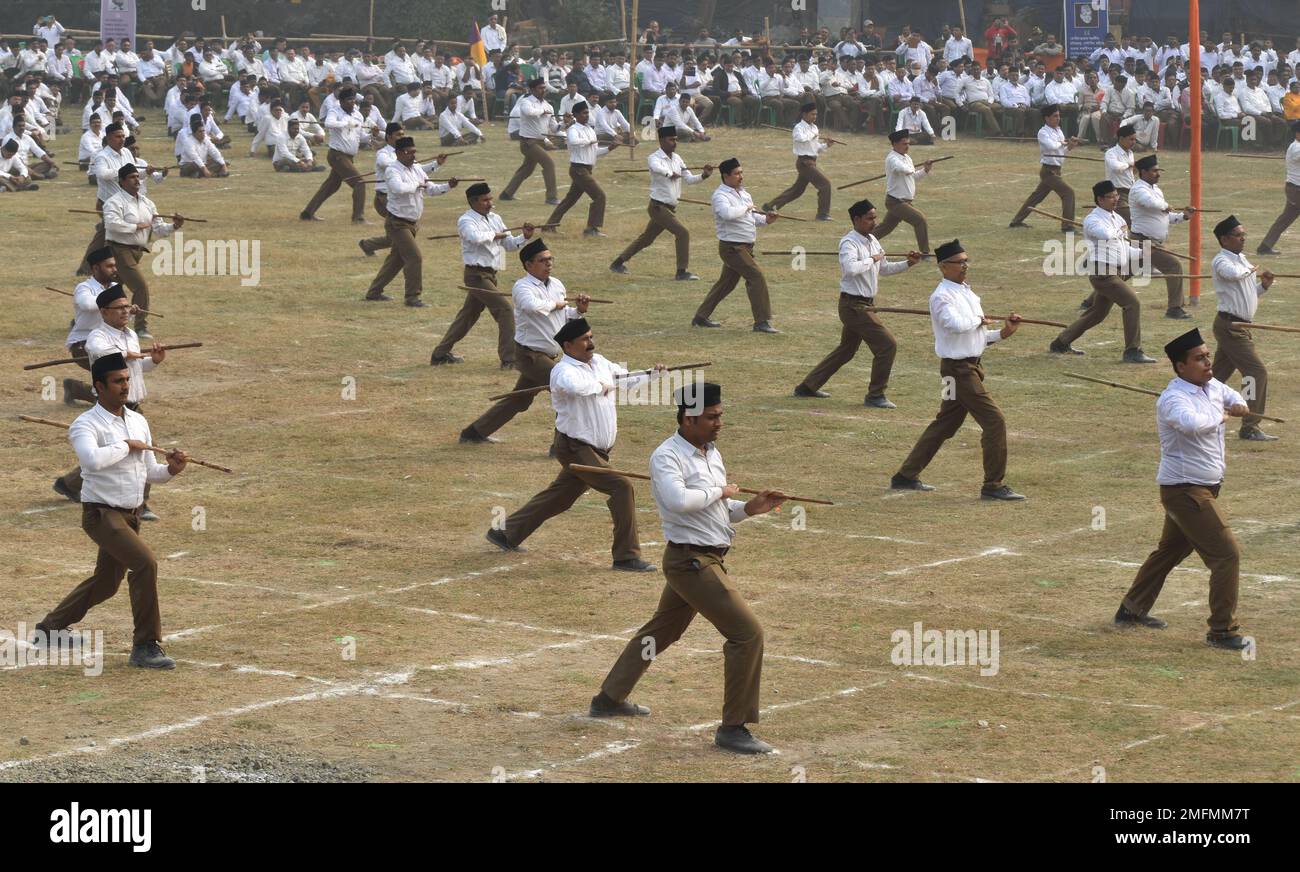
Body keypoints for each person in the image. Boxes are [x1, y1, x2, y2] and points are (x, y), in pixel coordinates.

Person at [588, 382, 788, 755]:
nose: (719, 423)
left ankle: (609, 697)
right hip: (690, 562)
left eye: (720, 416)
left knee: (660, 633)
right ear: (690, 418)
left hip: (707, 556)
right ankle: (733, 728)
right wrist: (722, 492)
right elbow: (679, 501)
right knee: (747, 634)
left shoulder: (711, 453)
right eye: (713, 417)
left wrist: (750, 507)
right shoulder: (666, 457)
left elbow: (717, 510)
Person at [29, 352, 188, 669]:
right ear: (98, 387)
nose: (125, 386)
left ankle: (49, 629)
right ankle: (145, 645)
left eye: (127, 380)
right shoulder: (85, 425)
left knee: (105, 584)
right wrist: (125, 446)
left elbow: (149, 473)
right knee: (145, 563)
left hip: (132, 514)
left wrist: (172, 470)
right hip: (102, 514)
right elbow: (91, 461)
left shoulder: (138, 421)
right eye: (118, 381)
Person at [1115, 328, 1253, 651]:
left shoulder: (1210, 386)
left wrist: (1239, 405)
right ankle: (1222, 630)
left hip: (1203, 488)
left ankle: (1131, 610)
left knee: (1170, 552)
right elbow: (1191, 425)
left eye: (1207, 356)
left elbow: (1231, 395)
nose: (1208, 362)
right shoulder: (1172, 399)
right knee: (1226, 554)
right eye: (1200, 358)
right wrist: (1220, 417)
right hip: (1186, 492)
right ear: (1180, 367)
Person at [486, 318, 659, 572]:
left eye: (591, 336)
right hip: (576, 447)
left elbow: (624, 379)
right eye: (585, 339)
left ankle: (505, 532)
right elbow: (574, 387)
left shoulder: (599, 362)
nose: (591, 343)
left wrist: (651, 375)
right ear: (568, 345)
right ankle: (626, 556)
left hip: (597, 450)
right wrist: (601, 386)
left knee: (560, 497)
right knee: (621, 486)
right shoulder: (562, 372)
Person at [891, 239, 1026, 500]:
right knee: (994, 421)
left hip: (968, 367)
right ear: (943, 267)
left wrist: (1002, 333)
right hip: (958, 372)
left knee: (945, 424)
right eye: (959, 262)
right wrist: (979, 320)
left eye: (966, 261)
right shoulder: (941, 297)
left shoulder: (967, 292)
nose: (965, 266)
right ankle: (993, 485)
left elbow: (975, 336)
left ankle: (905, 476)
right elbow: (954, 325)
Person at [457, 238, 591, 445]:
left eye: (550, 259)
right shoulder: (522, 287)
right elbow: (532, 306)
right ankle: (564, 447)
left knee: (519, 399)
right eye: (543, 260)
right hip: (530, 355)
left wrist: (578, 311)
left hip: (548, 354)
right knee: (567, 392)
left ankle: (473, 433)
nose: (549, 264)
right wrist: (556, 304)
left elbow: (564, 316)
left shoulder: (557, 285)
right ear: (529, 265)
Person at [794, 199, 921, 407]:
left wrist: (909, 263)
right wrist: (872, 259)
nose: (874, 222)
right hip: (853, 306)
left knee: (846, 350)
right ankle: (875, 395)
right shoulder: (848, 243)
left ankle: (807, 387)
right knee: (887, 345)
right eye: (870, 218)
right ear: (857, 219)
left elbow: (885, 269)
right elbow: (850, 269)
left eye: (875, 217)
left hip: (865, 304)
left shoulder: (872, 240)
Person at [430, 183, 531, 368]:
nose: (490, 203)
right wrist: (496, 235)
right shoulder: (466, 220)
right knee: (505, 310)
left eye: (490, 198)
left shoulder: (496, 218)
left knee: (467, 316)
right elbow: (475, 237)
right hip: (476, 275)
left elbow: (508, 245)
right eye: (485, 200)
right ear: (473, 202)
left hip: (491, 274)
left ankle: (440, 354)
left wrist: (524, 236)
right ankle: (509, 360)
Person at [610, 126, 714, 281]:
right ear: (661, 141)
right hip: (658, 207)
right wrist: (669, 173)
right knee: (682, 233)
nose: (674, 143)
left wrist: (704, 175)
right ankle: (681, 272)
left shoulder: (677, 159)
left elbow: (689, 179)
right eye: (671, 139)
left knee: (646, 239)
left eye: (675, 139)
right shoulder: (654, 158)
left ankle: (617, 263)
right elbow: (656, 168)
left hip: (669, 208)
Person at [692, 157, 781, 333]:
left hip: (745, 247)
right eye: (737, 173)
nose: (741, 176)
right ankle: (761, 322)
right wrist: (746, 207)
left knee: (726, 284)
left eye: (741, 172)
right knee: (756, 276)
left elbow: (752, 218)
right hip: (732, 248)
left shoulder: (744, 194)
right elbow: (727, 214)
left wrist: (767, 219)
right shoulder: (720, 196)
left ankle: (700, 317)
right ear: (726, 176)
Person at [363, 136, 455, 307]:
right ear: (398, 153)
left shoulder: (417, 169)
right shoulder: (392, 170)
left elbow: (431, 189)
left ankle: (374, 292)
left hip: (412, 223)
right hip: (397, 223)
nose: (413, 156)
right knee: (415, 258)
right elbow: (398, 189)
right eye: (409, 152)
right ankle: (412, 297)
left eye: (414, 152)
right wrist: (416, 185)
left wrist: (448, 186)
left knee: (395, 261)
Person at [1210, 215, 1278, 441]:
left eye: (1243, 235)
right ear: (1225, 239)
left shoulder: (1242, 259)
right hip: (1231, 326)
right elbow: (1233, 275)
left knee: (1215, 377)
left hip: (1240, 325)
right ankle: (1250, 425)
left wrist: (1263, 286)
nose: (1243, 239)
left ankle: (1195, 405)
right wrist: (1250, 271)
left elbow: (1247, 293)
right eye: (1238, 235)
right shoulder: (1222, 261)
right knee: (1255, 373)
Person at [104, 163, 182, 339]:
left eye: (137, 177)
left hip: (137, 252)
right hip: (118, 250)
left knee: (110, 289)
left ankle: (86, 320)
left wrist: (174, 226)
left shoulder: (147, 203)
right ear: (122, 181)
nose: (136, 180)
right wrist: (136, 226)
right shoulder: (114, 202)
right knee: (140, 287)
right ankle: (140, 327)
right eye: (132, 177)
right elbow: (111, 224)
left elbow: (158, 228)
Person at [544, 100, 626, 237]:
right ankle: (591, 229)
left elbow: (595, 152)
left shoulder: (590, 130)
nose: (586, 115)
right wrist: (589, 142)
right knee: (599, 196)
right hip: (578, 169)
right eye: (583, 113)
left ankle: (549, 225)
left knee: (569, 200)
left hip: (587, 169)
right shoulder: (573, 130)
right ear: (576, 115)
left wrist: (611, 147)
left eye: (587, 113)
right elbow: (574, 142)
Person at [1129, 155, 1194, 319]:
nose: (1158, 174)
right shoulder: (1138, 189)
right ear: (1143, 172)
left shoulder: (1156, 190)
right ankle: (1174, 308)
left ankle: (1091, 301)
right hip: (1142, 241)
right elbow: (1151, 203)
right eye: (1154, 171)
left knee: (1120, 273)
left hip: (1151, 241)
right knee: (1174, 266)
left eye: (1159, 170)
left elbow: (1165, 216)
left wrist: (1183, 216)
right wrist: (1165, 206)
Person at [300, 87, 369, 223]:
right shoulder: (335, 111)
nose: (352, 103)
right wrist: (346, 123)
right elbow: (328, 123)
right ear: (342, 101)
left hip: (349, 156)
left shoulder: (358, 115)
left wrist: (373, 134)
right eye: (349, 100)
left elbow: (362, 136)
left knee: (331, 186)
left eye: (353, 100)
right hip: (337, 155)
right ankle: (358, 218)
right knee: (359, 183)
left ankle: (307, 213)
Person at [1009, 104, 1080, 231]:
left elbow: (1062, 152)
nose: (1058, 118)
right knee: (1068, 193)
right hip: (1048, 171)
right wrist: (1064, 143)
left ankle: (1016, 221)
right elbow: (1051, 146)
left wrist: (1070, 146)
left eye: (1059, 116)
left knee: (1035, 197)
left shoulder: (1059, 130)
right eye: (1055, 116)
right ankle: (1067, 226)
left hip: (1057, 170)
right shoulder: (1042, 132)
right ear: (1047, 118)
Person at [764, 103, 833, 221]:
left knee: (797, 190)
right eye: (812, 114)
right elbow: (800, 139)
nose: (814, 117)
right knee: (825, 184)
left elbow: (815, 148)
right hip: (804, 163)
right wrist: (813, 136)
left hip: (812, 160)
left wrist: (826, 145)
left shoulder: (814, 128)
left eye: (816, 114)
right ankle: (822, 214)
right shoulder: (798, 128)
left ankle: (770, 206)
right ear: (804, 114)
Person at [499, 78, 559, 204]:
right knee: (548, 164)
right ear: (532, 90)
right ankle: (551, 197)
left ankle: (506, 194)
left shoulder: (548, 106)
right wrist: (542, 111)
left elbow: (554, 127)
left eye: (544, 88)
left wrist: (567, 123)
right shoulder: (526, 102)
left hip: (541, 142)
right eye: (540, 88)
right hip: (528, 142)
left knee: (526, 169)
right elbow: (529, 112)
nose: (543, 90)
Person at [874, 129, 934, 254]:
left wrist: (925, 170)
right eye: (904, 144)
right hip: (895, 202)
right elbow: (901, 169)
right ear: (895, 144)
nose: (907, 146)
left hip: (904, 202)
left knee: (884, 228)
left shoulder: (907, 158)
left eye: (908, 143)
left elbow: (913, 177)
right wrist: (910, 169)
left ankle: (860, 241)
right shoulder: (892, 159)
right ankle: (925, 253)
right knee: (920, 220)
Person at [1256, 120, 1300, 256]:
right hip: (1296, 189)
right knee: (1284, 219)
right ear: (1298, 134)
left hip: (1295, 189)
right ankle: (1264, 246)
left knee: (1284, 220)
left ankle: (1265, 246)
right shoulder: (1296, 148)